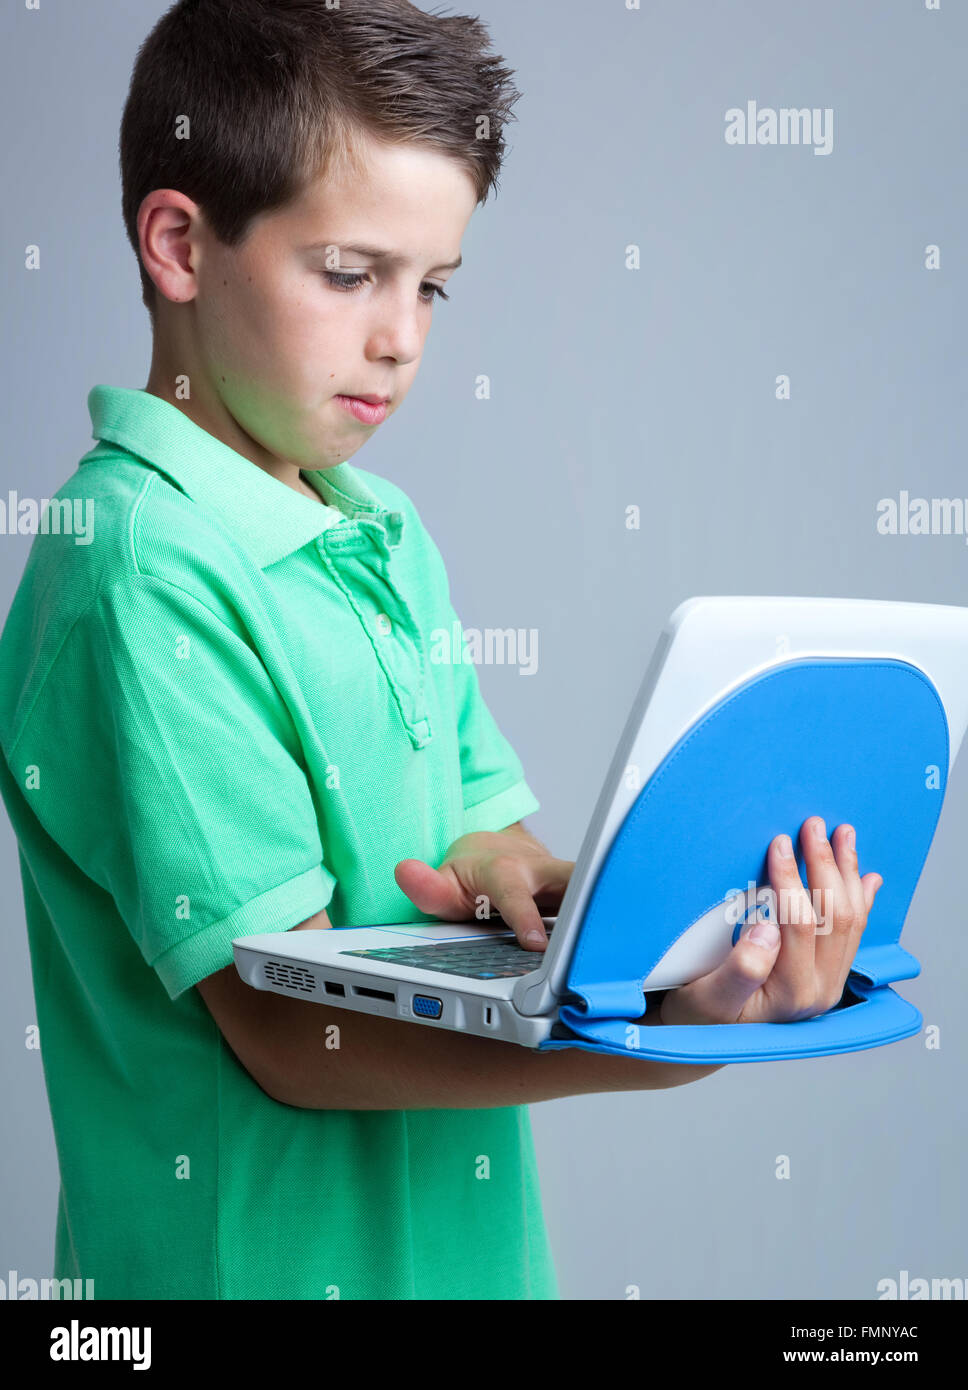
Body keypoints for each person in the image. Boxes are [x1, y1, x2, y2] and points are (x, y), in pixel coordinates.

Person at [0, 0, 881, 1300]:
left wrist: (618, 920)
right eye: (351, 272)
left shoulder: (382, 529)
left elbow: (481, 844)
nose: (403, 337)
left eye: (434, 285)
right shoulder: (140, 567)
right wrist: (663, 1039)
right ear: (181, 244)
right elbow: (294, 1031)